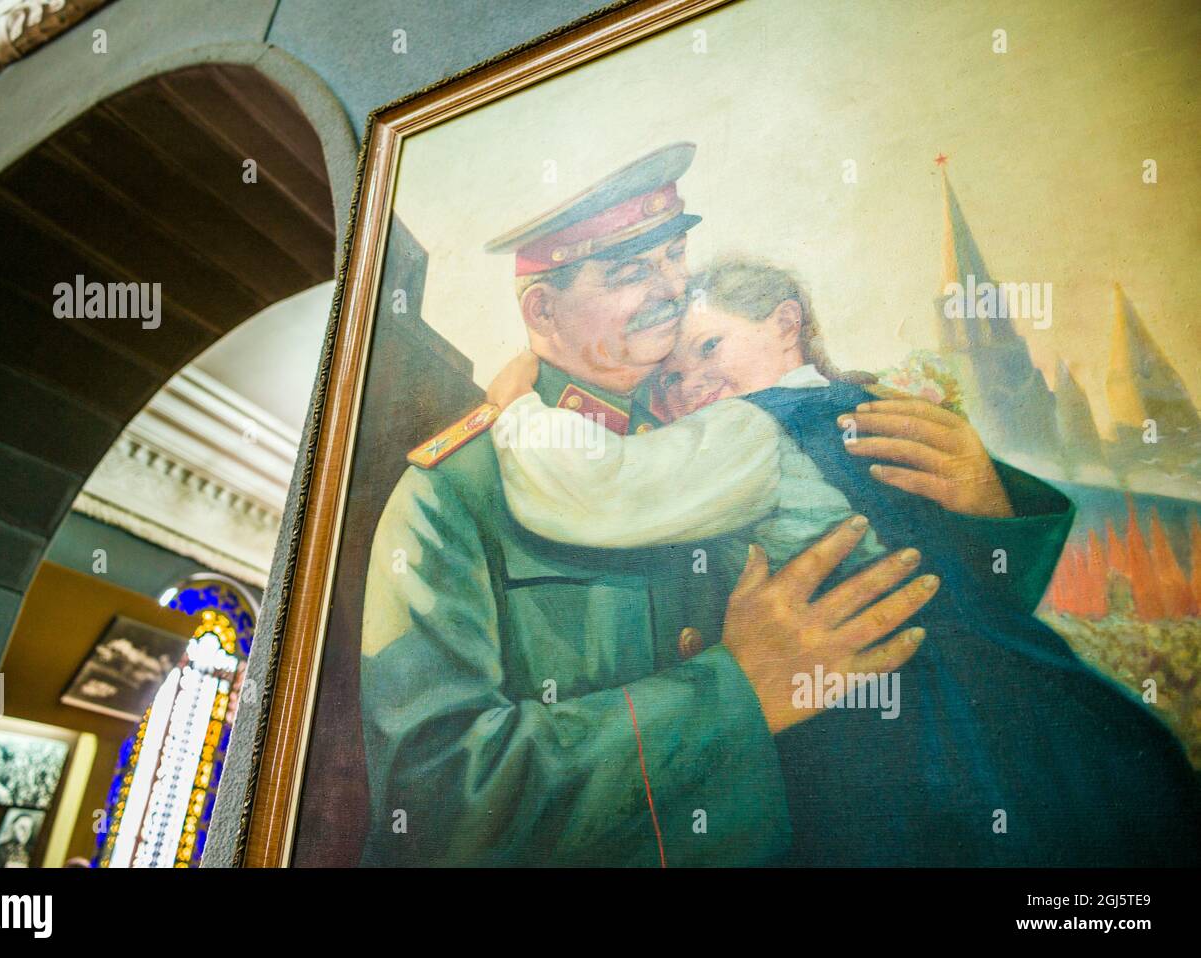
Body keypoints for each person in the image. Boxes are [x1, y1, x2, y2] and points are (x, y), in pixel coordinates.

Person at [358, 145, 1070, 867]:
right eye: (631, 271)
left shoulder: (726, 427)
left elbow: (935, 614)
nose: (672, 287)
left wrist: (985, 513)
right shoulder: (455, 489)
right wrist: (736, 692)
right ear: (542, 307)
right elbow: (439, 806)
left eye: (674, 256)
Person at [486, 256, 1201, 865]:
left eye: (708, 348)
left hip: (900, 719)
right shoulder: (851, 406)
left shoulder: (751, 426)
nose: (690, 385)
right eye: (668, 380)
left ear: (785, 324)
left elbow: (599, 489)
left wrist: (516, 410)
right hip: (1003, 688)